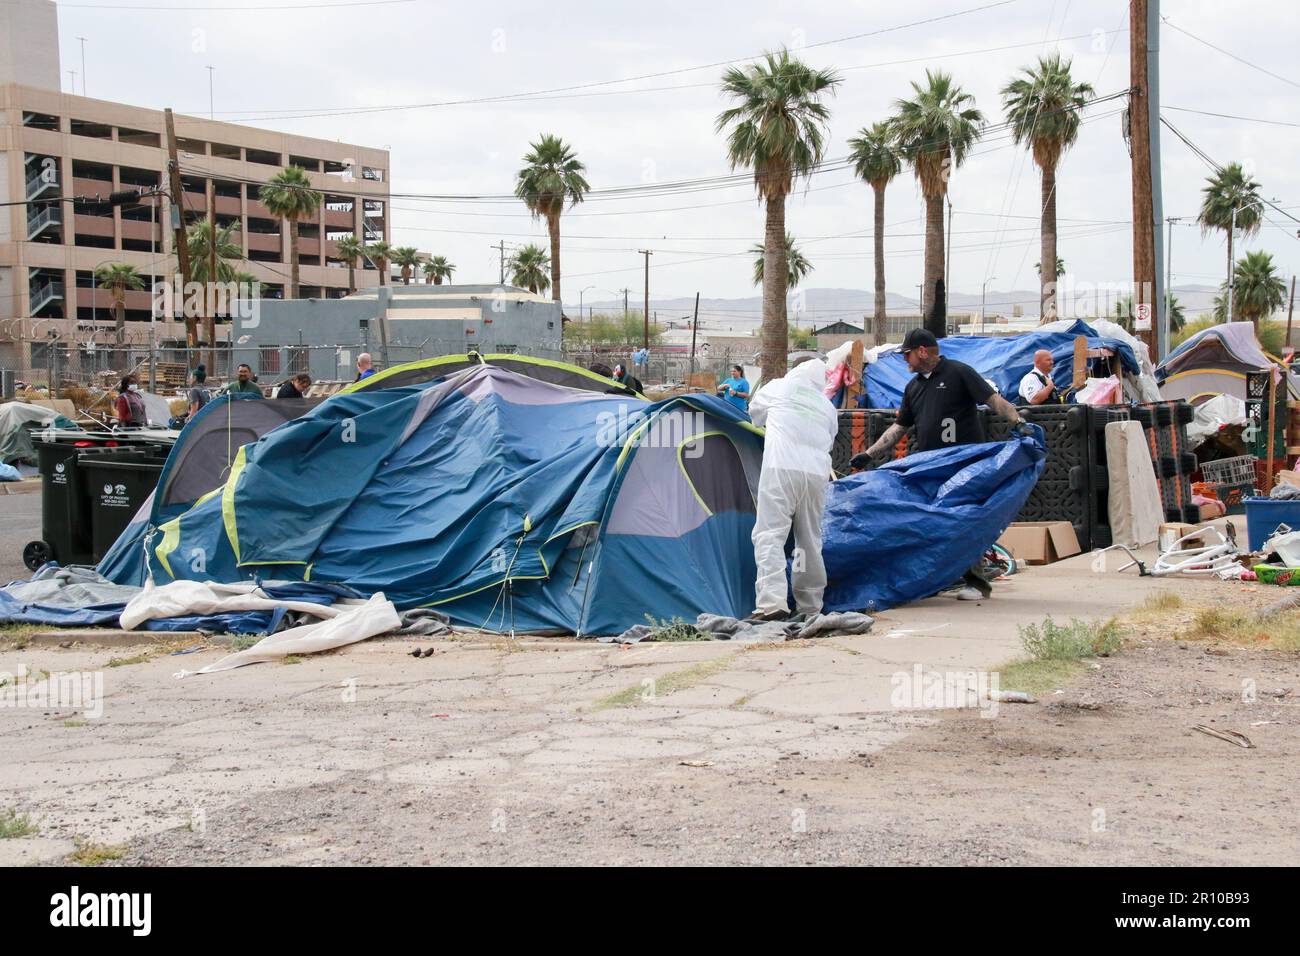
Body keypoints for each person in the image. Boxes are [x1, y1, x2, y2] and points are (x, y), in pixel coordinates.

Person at [850, 328, 1026, 601]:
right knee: (931, 524)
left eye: (907, 354)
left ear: (922, 351)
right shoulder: (913, 387)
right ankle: (939, 578)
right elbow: (899, 428)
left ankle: (977, 583)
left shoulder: (959, 373)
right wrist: (870, 454)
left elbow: (994, 401)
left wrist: (1018, 422)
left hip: (963, 465)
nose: (905, 361)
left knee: (965, 521)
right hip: (929, 467)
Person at [748, 358, 838, 622]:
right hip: (816, 475)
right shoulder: (827, 406)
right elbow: (829, 441)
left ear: (794, 370)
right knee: (808, 540)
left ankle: (772, 603)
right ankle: (810, 606)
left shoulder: (778, 387)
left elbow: (754, 415)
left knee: (770, 535)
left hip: (781, 468)